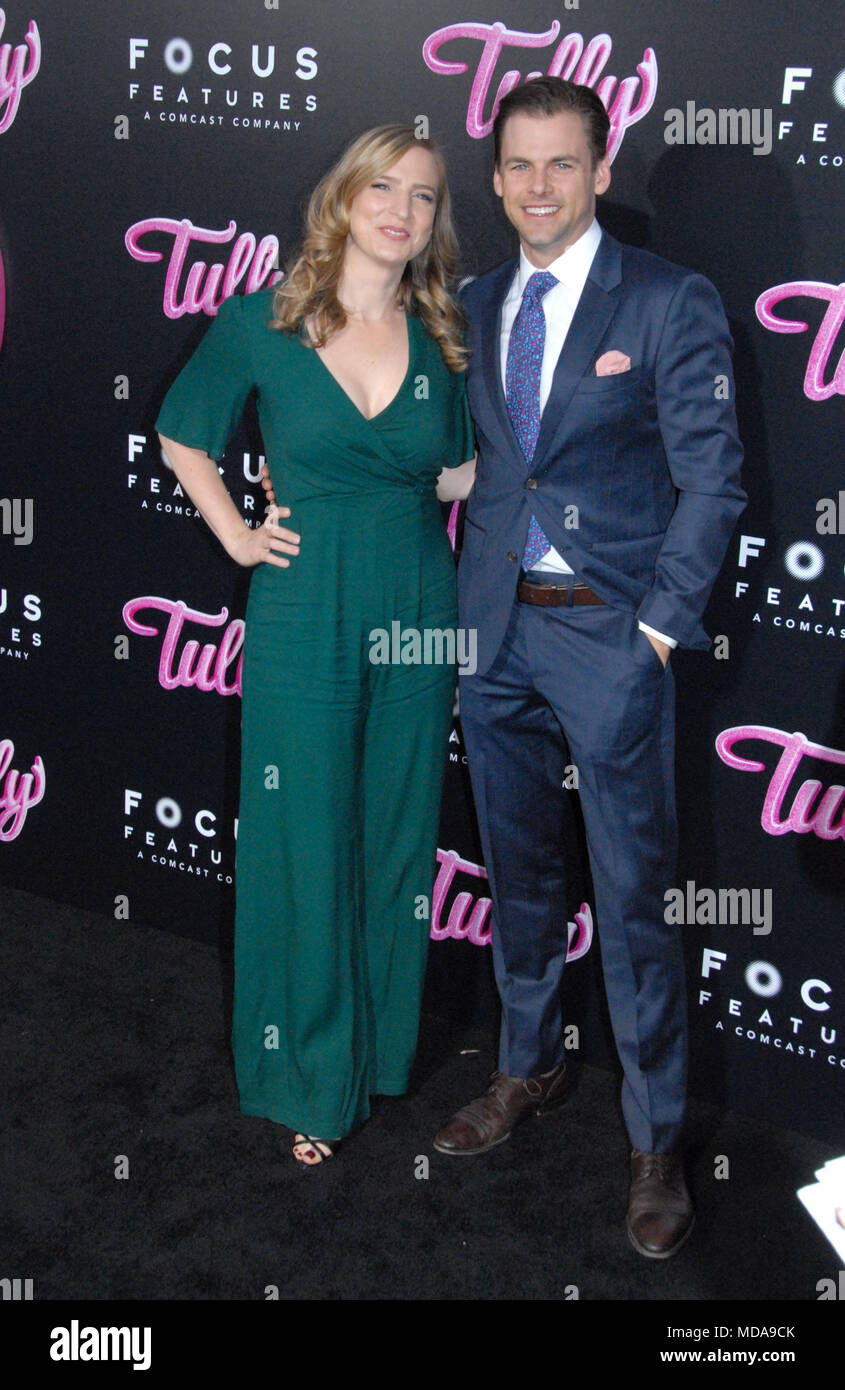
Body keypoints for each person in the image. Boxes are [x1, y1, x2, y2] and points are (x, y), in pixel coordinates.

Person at [430, 77, 746, 1259]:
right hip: (491, 632)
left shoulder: (667, 299)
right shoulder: (472, 300)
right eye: (516, 166)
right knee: (515, 872)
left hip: (609, 638)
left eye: (561, 163)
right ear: (496, 175)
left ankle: (655, 1137)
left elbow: (713, 478)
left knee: (630, 898)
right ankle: (526, 1066)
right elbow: (479, 467)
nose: (537, 187)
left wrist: (658, 627)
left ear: (601, 170)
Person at [156, 125, 476, 1167]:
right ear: (342, 198)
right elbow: (181, 432)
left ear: (436, 222)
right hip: (301, 607)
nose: (400, 208)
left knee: (393, 835)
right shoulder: (264, 322)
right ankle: (306, 1070)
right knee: (305, 839)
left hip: (417, 604)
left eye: (423, 196)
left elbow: (460, 476)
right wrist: (238, 532)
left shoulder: (444, 335)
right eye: (381, 186)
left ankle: (376, 1054)